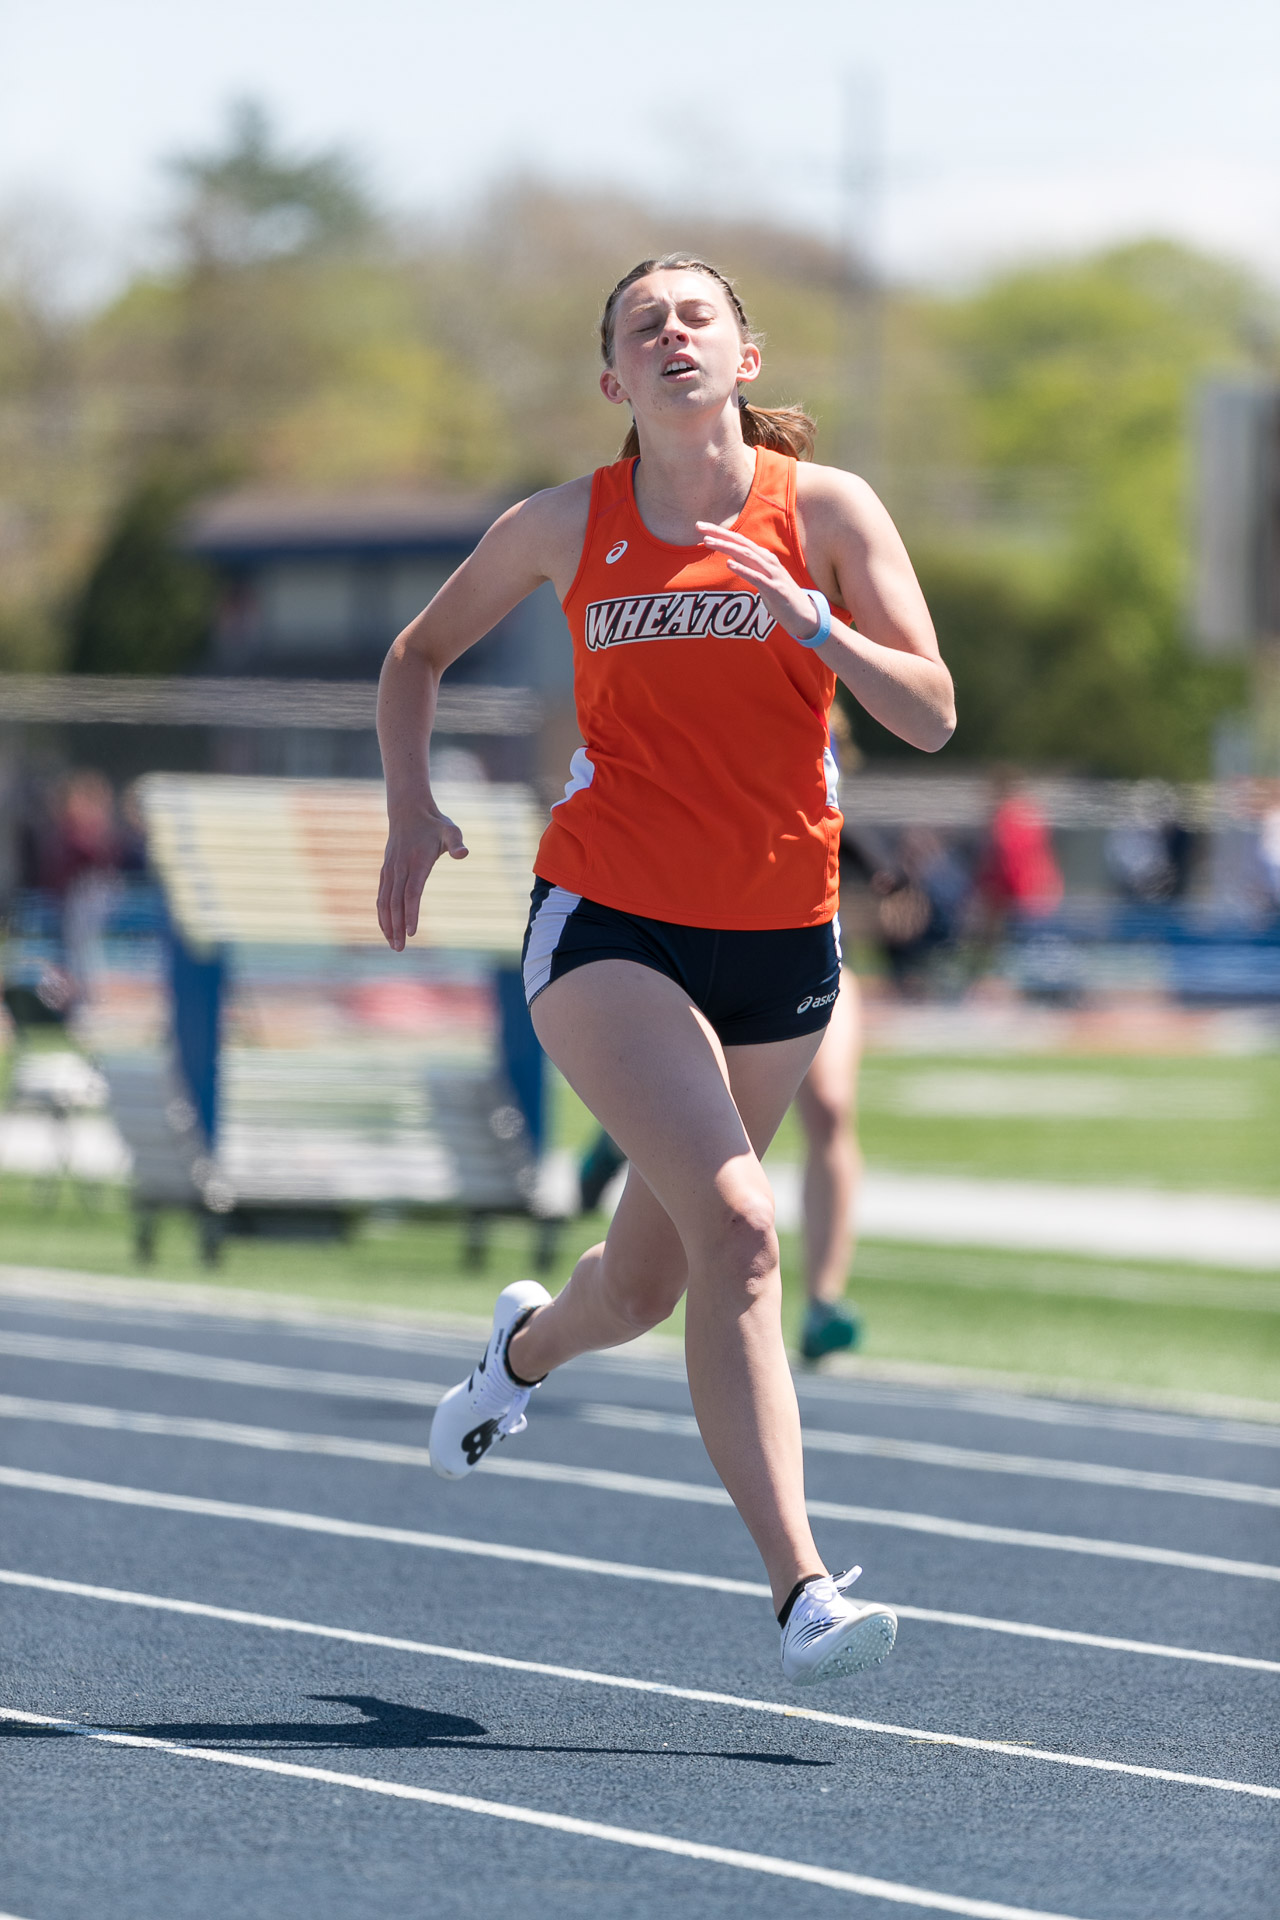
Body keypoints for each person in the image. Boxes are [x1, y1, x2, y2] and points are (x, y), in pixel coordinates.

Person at [377, 255, 954, 1687]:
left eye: (699, 316)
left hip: (781, 944)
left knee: (643, 1284)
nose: (674, 333)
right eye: (646, 324)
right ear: (613, 380)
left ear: (745, 358)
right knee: (745, 1230)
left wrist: (815, 622)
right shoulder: (566, 523)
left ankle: (520, 1356)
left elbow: (934, 714)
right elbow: (415, 655)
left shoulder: (827, 512)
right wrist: (410, 805)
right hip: (608, 920)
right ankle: (801, 1589)